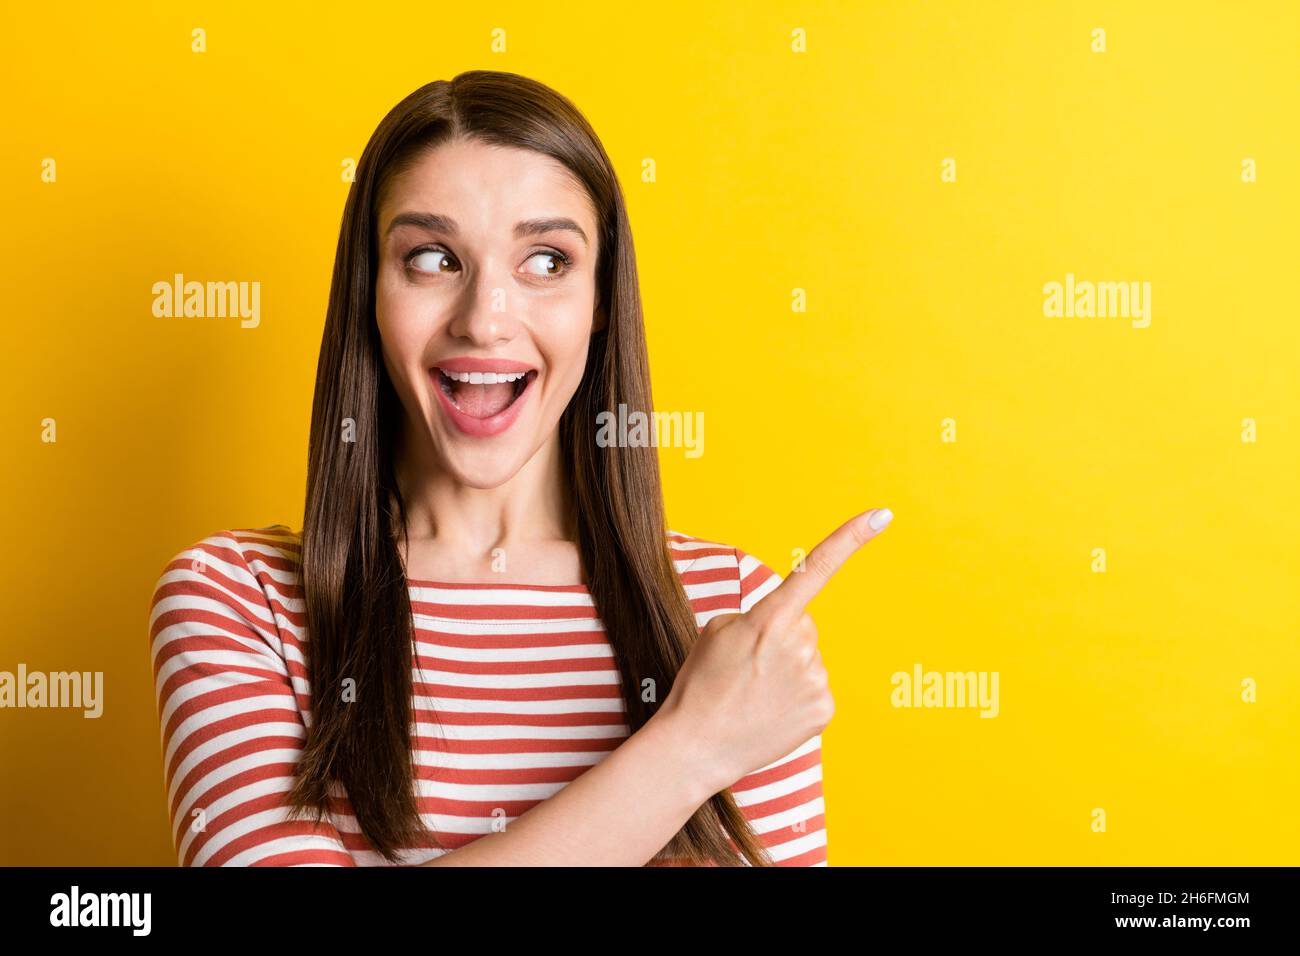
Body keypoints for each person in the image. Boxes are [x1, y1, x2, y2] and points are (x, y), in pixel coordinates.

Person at [148, 70, 893, 867]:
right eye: (433, 258)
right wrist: (693, 748)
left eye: (546, 261)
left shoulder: (732, 617)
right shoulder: (240, 600)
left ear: (603, 300)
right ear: (370, 292)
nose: (484, 320)